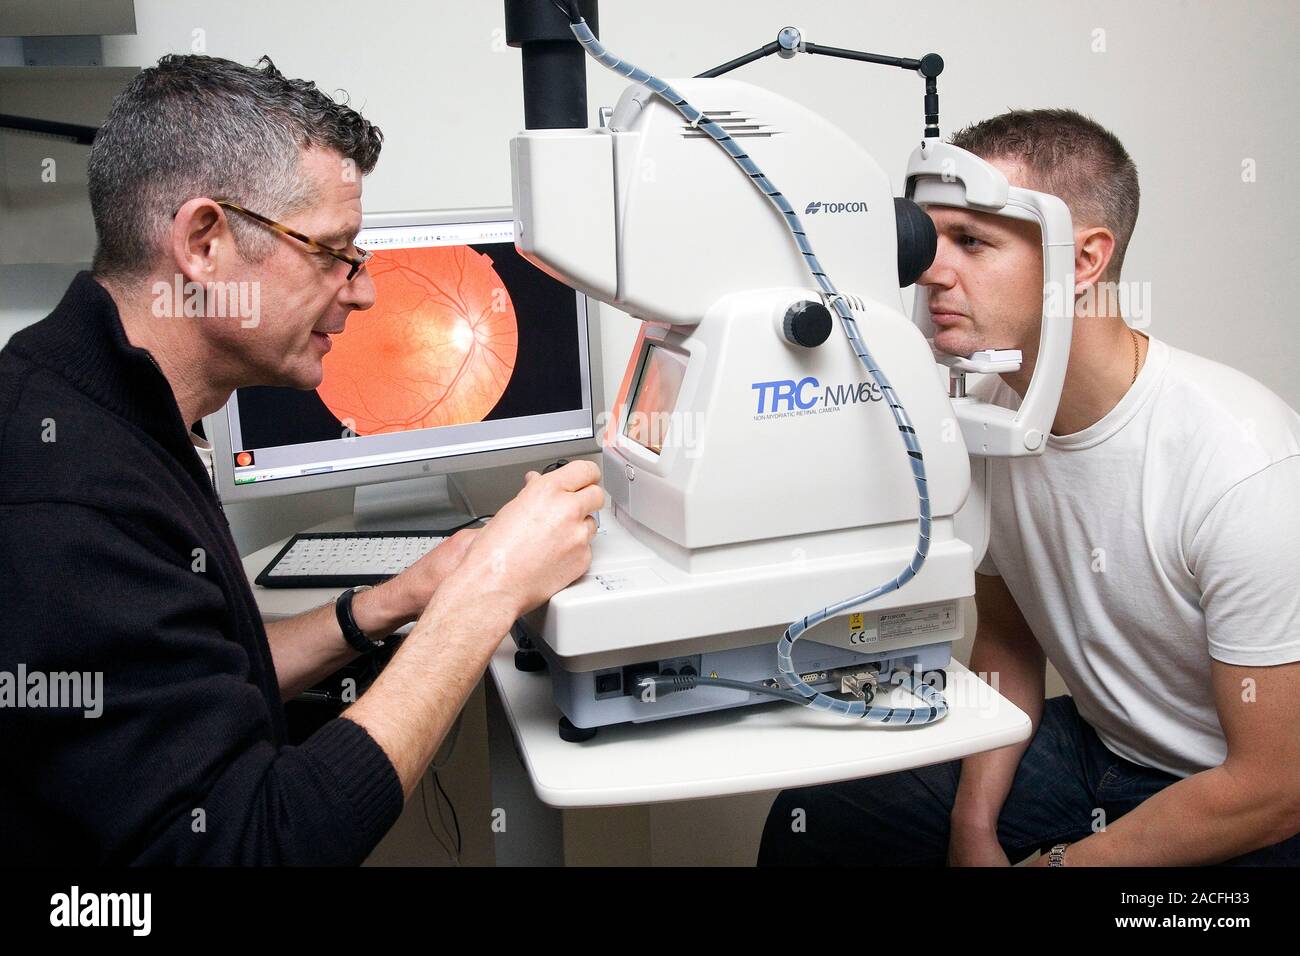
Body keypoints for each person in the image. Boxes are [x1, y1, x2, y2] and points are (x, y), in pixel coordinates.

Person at [0, 54, 603, 864]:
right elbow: (253, 847)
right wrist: (488, 594)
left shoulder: (109, 405)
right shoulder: (65, 495)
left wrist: (396, 601)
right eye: (332, 252)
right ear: (205, 244)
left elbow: (198, 682)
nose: (360, 291)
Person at [760, 109, 1300, 866]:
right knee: (820, 815)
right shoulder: (993, 422)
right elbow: (1010, 639)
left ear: (1082, 263)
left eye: (973, 242)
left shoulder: (1242, 465)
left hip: (1247, 799)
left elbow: (1276, 787)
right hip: (1099, 746)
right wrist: (971, 829)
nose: (931, 270)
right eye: (931, 237)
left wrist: (1060, 865)